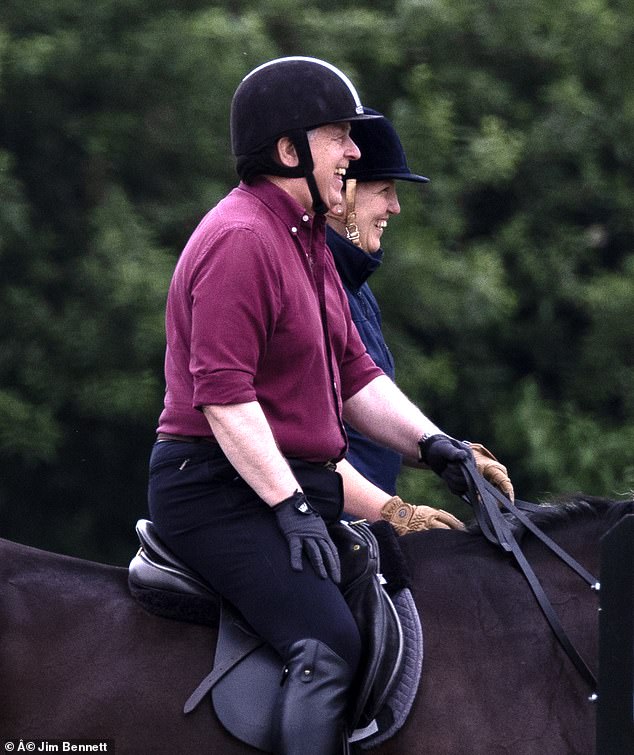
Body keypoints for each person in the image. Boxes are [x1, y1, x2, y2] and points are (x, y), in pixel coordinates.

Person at [147, 56, 511, 755]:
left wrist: (438, 447)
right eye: (339, 135)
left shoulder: (304, 238)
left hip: (277, 490)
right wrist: (288, 504)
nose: (353, 150)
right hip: (218, 495)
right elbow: (224, 400)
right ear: (289, 150)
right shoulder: (241, 240)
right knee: (330, 644)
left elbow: (356, 378)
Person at [325, 109, 514, 531]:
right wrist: (395, 513)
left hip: (358, 526)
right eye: (386, 190)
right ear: (344, 195)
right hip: (326, 524)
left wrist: (448, 451)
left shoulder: (358, 291)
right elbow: (297, 442)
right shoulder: (312, 285)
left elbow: (369, 412)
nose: (395, 206)